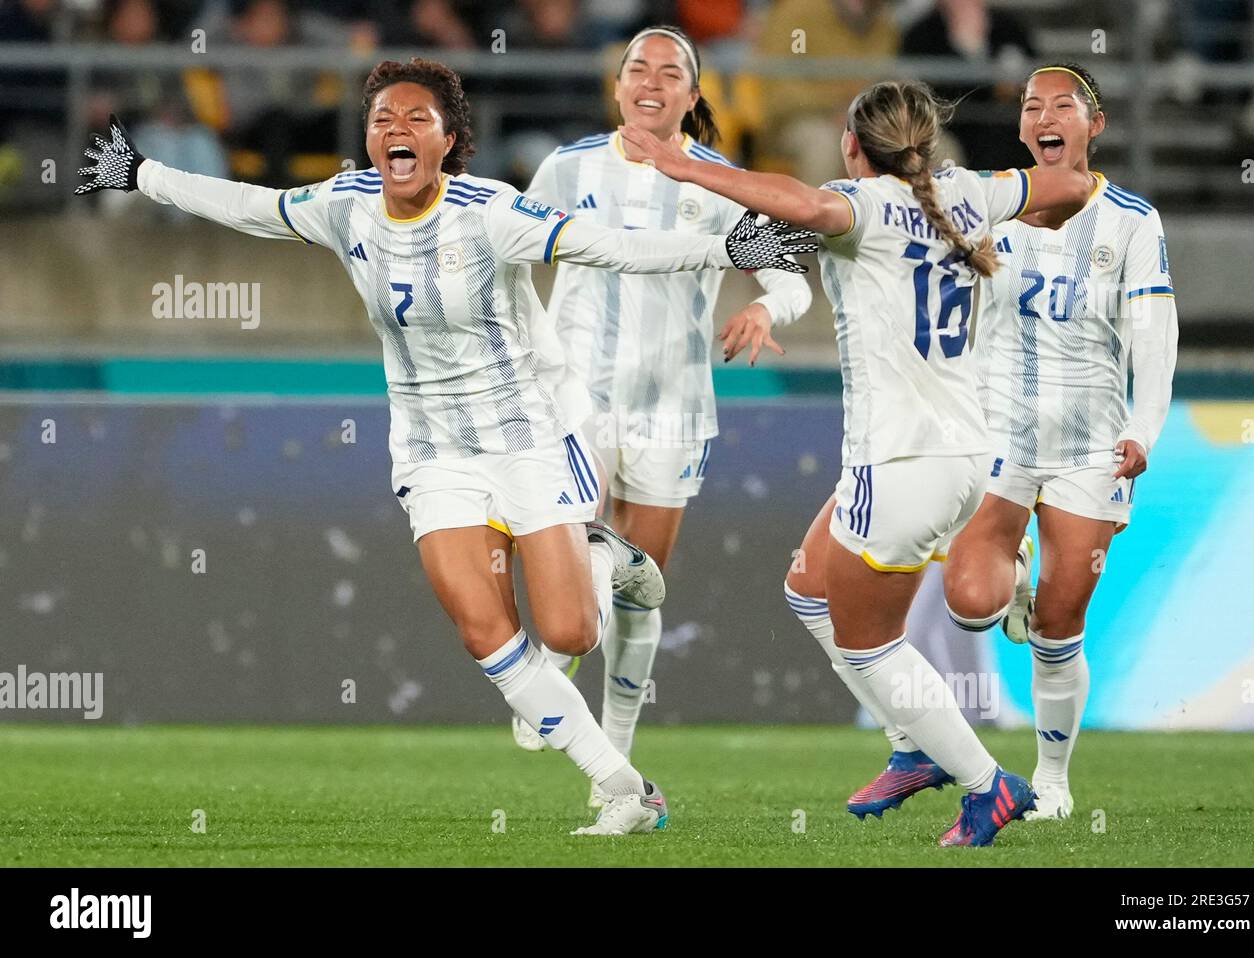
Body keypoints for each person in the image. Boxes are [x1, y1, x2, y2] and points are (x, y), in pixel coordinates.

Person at [75, 56, 815, 836]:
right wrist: (141, 172)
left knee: (570, 633)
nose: (395, 130)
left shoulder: (489, 211)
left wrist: (728, 251)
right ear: (366, 140)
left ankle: (605, 558)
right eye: (382, 120)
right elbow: (251, 205)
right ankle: (626, 789)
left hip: (529, 433)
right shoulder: (345, 205)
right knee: (484, 632)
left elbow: (608, 246)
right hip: (433, 451)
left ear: (450, 139)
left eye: (415, 119)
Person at [622, 78, 1093, 846]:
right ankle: (913, 743)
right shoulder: (971, 192)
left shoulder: (862, 205)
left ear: (852, 145)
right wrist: (1037, 206)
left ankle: (986, 786)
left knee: (868, 643)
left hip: (901, 458)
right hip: (965, 452)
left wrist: (686, 166)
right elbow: (1071, 182)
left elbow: (800, 206)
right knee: (808, 588)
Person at [516, 25, 812, 810]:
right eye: (636, 68)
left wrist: (766, 303)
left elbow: (794, 273)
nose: (651, 81)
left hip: (674, 407)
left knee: (641, 591)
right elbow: (508, 253)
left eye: (669, 71)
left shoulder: (717, 181)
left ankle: (614, 752)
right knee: (580, 547)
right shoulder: (567, 166)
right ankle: (554, 652)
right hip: (576, 395)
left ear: (691, 93)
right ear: (617, 87)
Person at [943, 63, 1179, 820]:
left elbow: (1156, 338)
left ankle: (1051, 781)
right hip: (999, 431)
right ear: (1022, 131)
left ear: (1093, 124)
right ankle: (1007, 573)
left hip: (1091, 440)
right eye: (1032, 106)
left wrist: (1144, 429)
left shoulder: (1132, 221)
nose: (1045, 115)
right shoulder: (990, 207)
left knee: (1061, 619)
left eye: (1064, 105)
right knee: (971, 604)